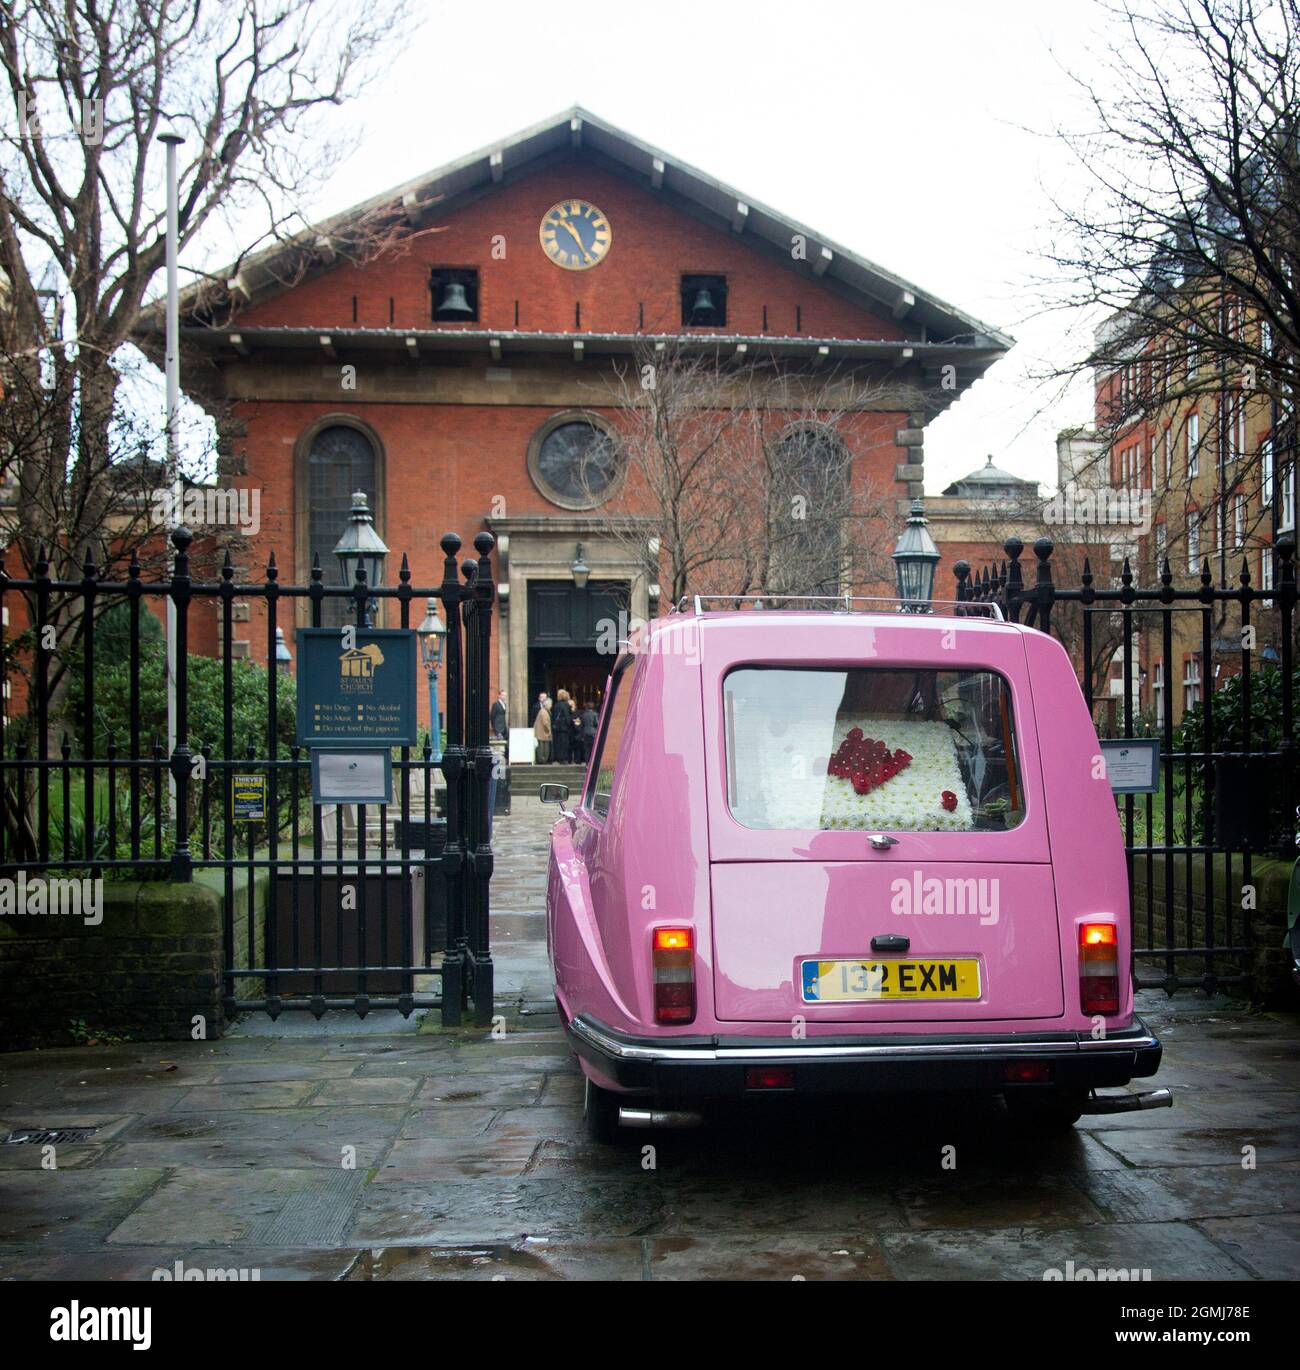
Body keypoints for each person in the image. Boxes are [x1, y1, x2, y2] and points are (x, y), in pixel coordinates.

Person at [552, 688, 574, 764]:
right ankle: (564, 758)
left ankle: (558, 758)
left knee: (558, 743)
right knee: (564, 743)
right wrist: (570, 724)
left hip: (556, 728)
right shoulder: (565, 705)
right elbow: (567, 717)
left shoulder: (556, 705)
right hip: (564, 728)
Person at [532, 695, 552, 764]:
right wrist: (549, 731)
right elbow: (545, 723)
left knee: (542, 747)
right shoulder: (544, 712)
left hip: (541, 733)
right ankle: (542, 760)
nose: (551, 706)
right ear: (546, 705)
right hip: (543, 733)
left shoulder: (543, 711)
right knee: (543, 747)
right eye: (550, 704)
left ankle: (542, 759)